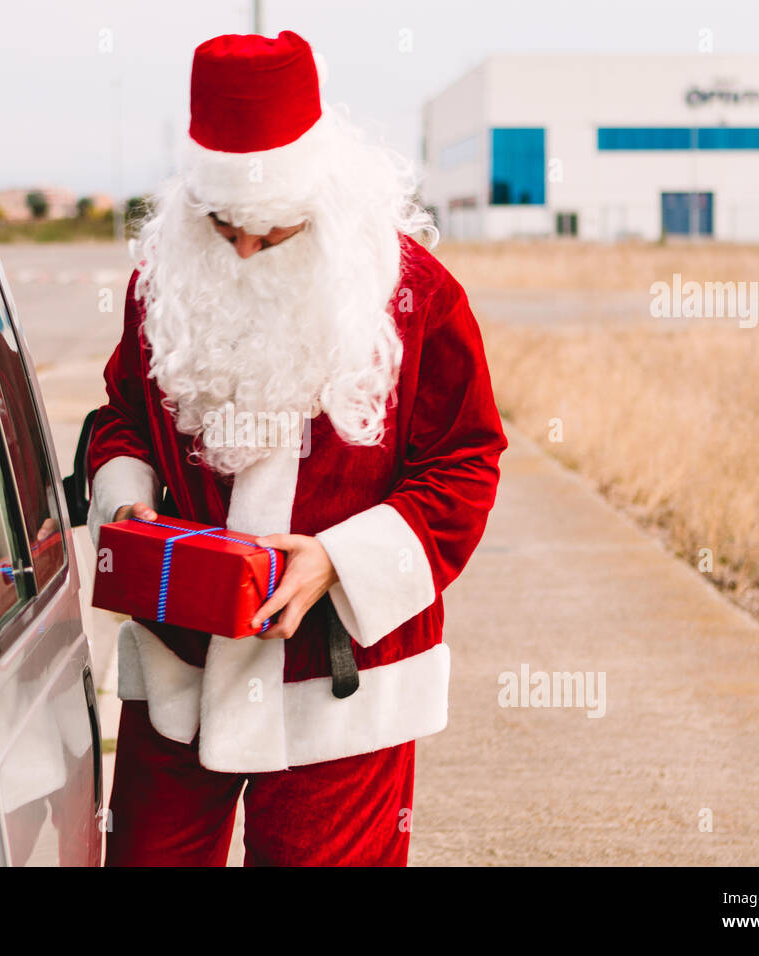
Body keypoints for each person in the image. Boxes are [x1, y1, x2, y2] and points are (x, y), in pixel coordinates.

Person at [88, 29, 507, 866]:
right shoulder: (163, 280)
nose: (241, 252)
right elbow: (121, 416)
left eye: (269, 234)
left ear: (323, 201)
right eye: (222, 227)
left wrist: (336, 562)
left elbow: (466, 460)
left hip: (340, 684)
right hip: (181, 664)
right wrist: (127, 500)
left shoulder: (416, 295)